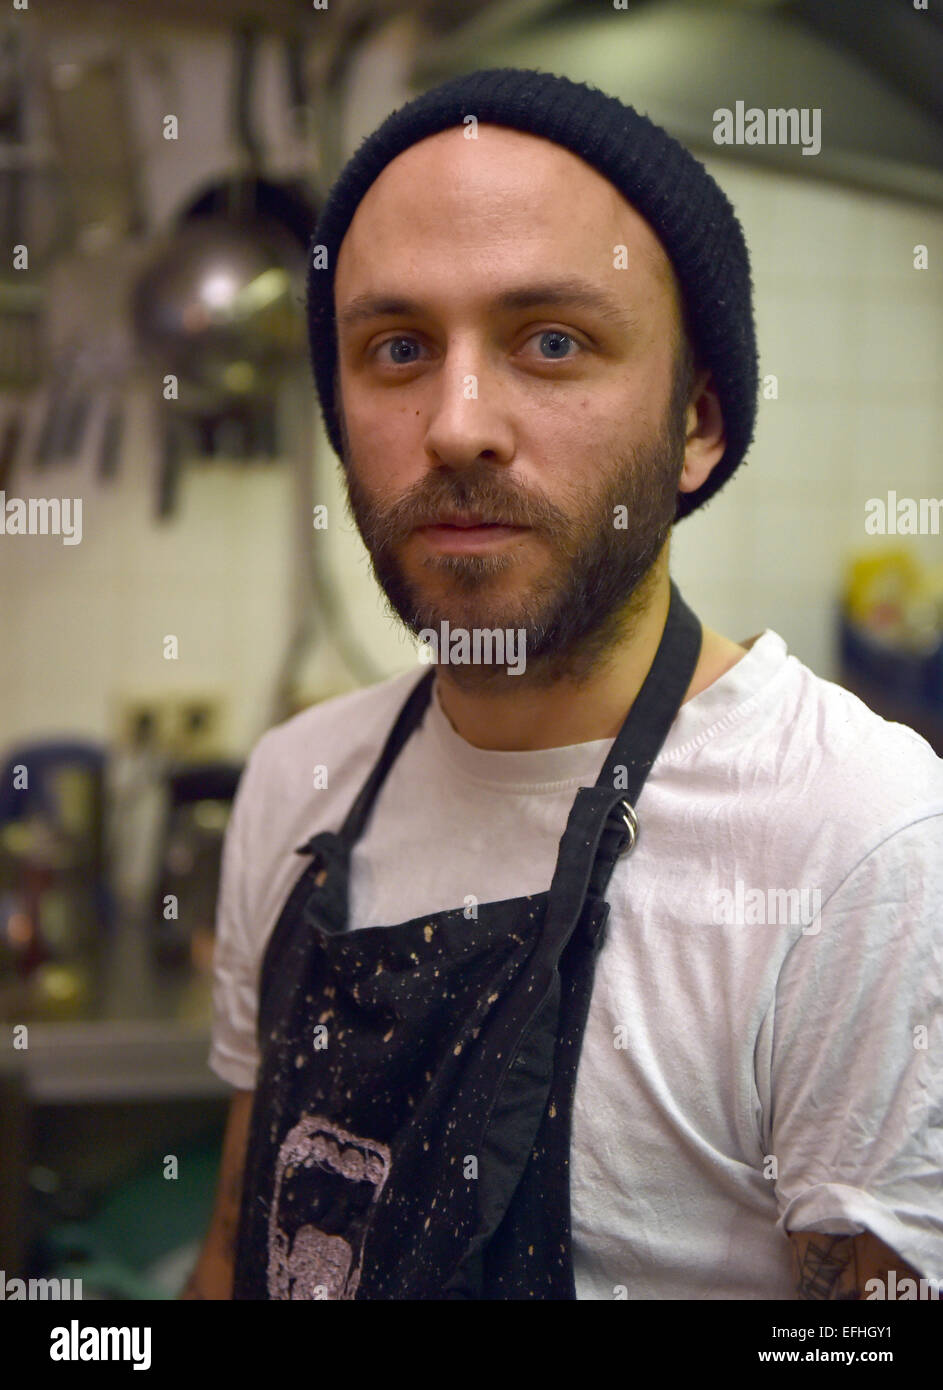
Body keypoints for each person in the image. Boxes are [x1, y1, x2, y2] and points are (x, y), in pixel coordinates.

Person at [183, 68, 943, 1301]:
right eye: (397, 348)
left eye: (551, 340)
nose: (457, 425)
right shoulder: (295, 784)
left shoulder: (856, 843)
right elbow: (233, 1251)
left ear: (698, 424)